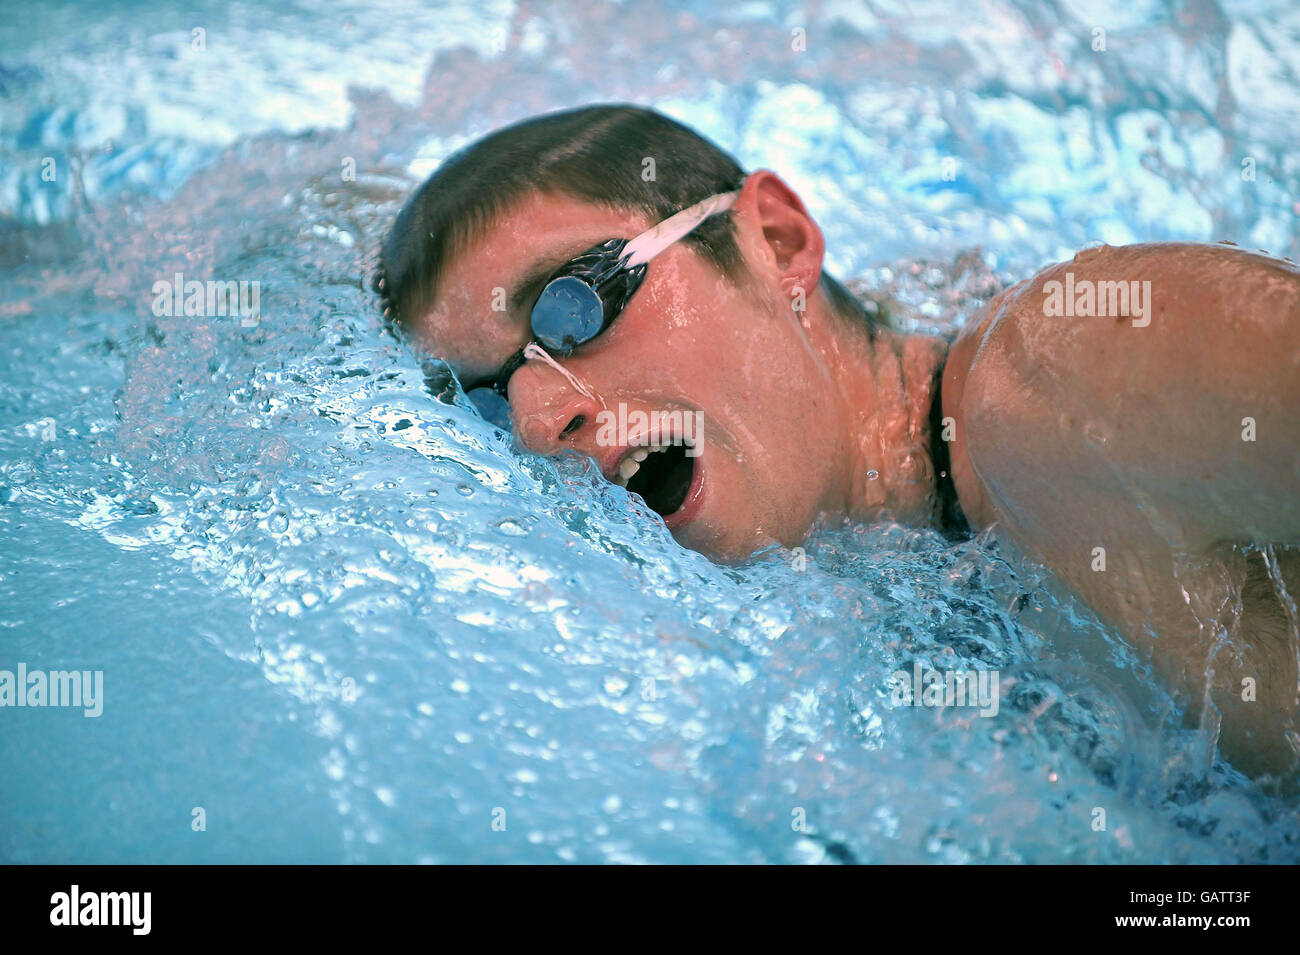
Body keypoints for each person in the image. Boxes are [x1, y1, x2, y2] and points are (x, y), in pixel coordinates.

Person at [377, 104, 1300, 779]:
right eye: (488, 400)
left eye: (571, 307)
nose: (539, 421)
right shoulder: (880, 548)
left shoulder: (1052, 381)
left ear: (779, 243)